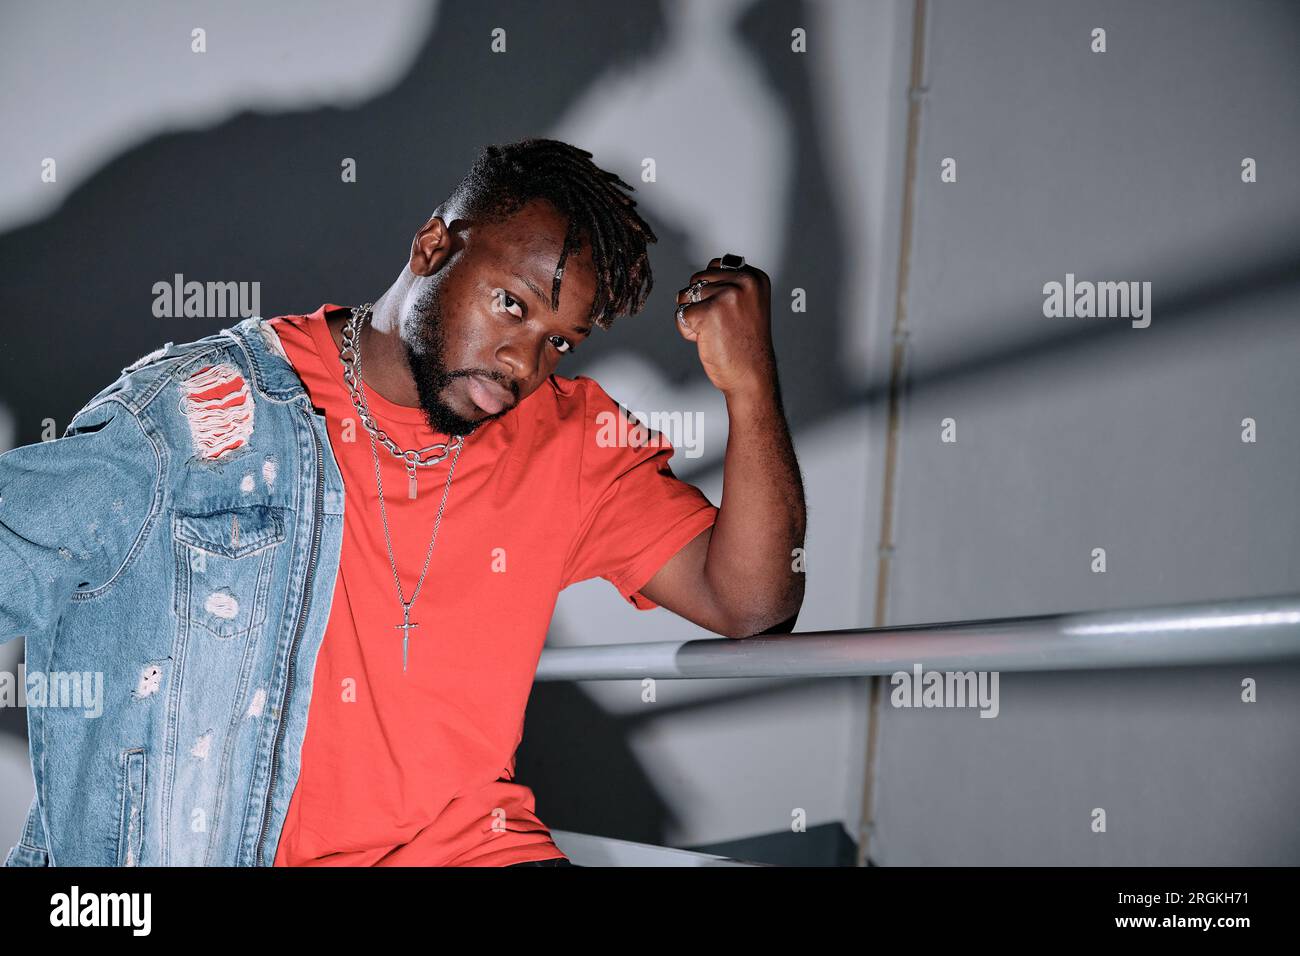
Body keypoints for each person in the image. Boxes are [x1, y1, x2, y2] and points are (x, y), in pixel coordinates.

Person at [0, 137, 806, 867]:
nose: (522, 362)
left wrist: (750, 385)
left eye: (557, 341)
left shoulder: (570, 439)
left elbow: (750, 603)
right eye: (512, 306)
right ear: (432, 247)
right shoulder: (210, 414)